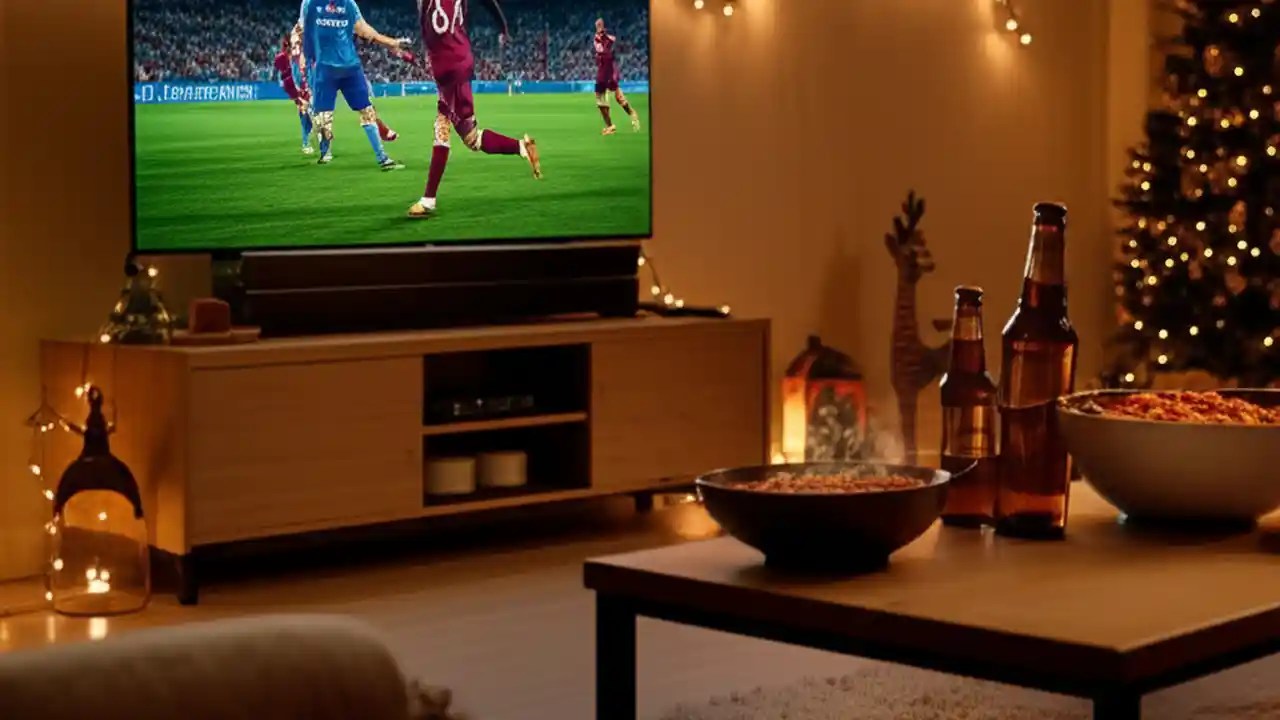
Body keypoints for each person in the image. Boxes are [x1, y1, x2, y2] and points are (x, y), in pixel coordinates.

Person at [407, 0, 542, 220]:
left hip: (450, 65)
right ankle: (522, 147)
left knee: (441, 126)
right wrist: (502, 26)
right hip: (456, 61)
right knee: (472, 138)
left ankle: (428, 199)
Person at [296, 0, 407, 169]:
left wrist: (390, 43)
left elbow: (363, 29)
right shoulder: (310, 3)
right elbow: (304, 30)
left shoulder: (348, 4)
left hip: (350, 68)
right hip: (325, 67)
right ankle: (325, 153)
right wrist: (306, 57)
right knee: (323, 117)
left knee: (367, 111)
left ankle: (382, 157)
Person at [593, 18, 639, 136]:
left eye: (600, 25)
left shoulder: (608, 39)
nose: (598, 27)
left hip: (608, 70)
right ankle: (631, 115)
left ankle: (612, 126)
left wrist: (602, 35)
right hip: (605, 70)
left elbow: (608, 48)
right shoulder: (598, 38)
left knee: (603, 99)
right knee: (613, 97)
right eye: (597, 25)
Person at [273, 35, 315, 154]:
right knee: (305, 112)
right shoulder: (289, 58)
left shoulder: (293, 57)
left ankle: (308, 134)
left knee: (306, 112)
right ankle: (306, 141)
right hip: (296, 87)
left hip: (299, 86)